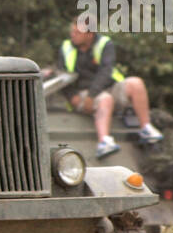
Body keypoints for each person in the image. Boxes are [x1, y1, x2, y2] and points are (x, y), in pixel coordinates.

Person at [58, 15, 161, 157]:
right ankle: (104, 142)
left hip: (103, 88)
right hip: (82, 92)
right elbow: (62, 77)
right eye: (72, 31)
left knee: (136, 83)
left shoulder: (104, 44)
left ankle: (146, 128)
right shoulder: (66, 47)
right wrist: (72, 98)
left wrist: (92, 95)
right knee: (105, 99)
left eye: (77, 32)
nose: (73, 35)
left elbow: (106, 71)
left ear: (90, 34)